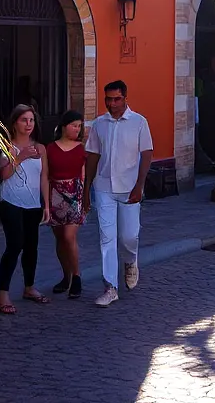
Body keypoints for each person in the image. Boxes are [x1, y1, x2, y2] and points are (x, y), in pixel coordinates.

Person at [84, 80, 153, 307]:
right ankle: (110, 287)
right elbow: (92, 156)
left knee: (129, 236)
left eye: (116, 99)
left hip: (130, 187)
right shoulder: (99, 124)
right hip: (103, 187)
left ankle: (131, 261)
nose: (112, 104)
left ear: (125, 98)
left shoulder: (139, 122)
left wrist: (140, 185)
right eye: (108, 99)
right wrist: (86, 190)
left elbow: (147, 154)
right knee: (107, 238)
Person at [0, 104, 50, 314]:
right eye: (24, 120)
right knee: (15, 244)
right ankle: (3, 293)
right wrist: (22, 156)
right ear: (15, 123)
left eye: (31, 120)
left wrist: (46, 204)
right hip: (9, 200)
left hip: (32, 202)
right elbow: (5, 174)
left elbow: (44, 177)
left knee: (32, 245)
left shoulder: (41, 148)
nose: (28, 124)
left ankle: (29, 287)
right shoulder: (7, 146)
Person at [46, 110, 88, 299]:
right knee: (60, 238)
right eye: (74, 125)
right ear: (64, 126)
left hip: (74, 194)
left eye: (79, 126)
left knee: (69, 235)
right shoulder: (50, 149)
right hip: (55, 194)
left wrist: (84, 199)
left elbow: (83, 175)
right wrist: (46, 202)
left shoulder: (81, 149)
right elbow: (45, 176)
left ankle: (77, 276)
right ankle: (66, 276)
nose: (77, 130)